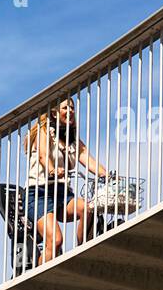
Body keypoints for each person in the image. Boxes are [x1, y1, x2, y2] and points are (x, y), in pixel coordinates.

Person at [24, 99, 108, 265]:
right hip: (39, 193)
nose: (70, 111)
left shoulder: (72, 139)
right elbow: (43, 155)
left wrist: (107, 175)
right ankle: (38, 274)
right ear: (54, 113)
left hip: (61, 193)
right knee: (55, 240)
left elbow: (87, 159)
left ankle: (82, 250)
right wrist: (52, 170)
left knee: (87, 207)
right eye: (65, 108)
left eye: (72, 108)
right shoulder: (44, 131)